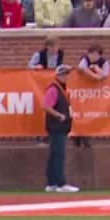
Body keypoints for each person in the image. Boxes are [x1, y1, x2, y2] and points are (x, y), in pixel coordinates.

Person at [42, 64, 80, 193]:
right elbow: (46, 106)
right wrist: (58, 115)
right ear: (58, 76)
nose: (66, 77)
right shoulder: (54, 89)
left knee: (54, 155)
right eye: (64, 74)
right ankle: (60, 183)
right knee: (59, 155)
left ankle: (52, 183)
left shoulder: (61, 90)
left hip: (60, 127)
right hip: (57, 127)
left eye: (67, 74)